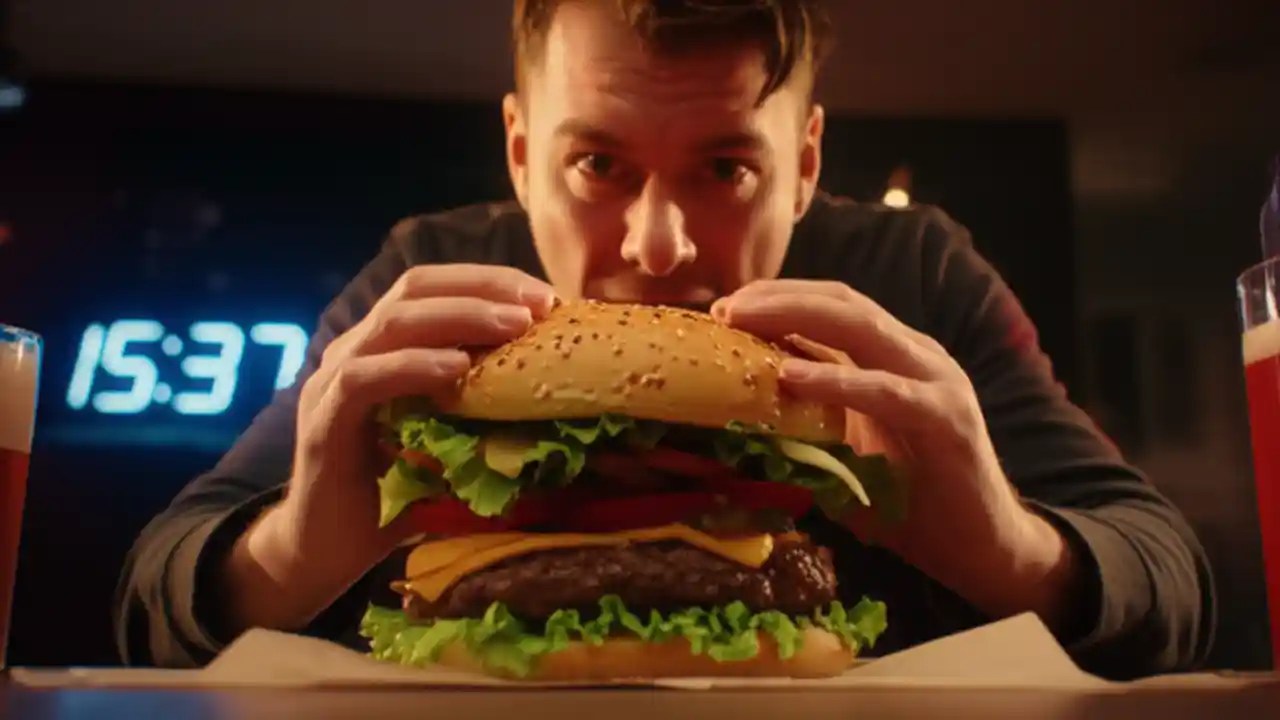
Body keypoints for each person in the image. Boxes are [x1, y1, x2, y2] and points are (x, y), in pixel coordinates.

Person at [113, 0, 1216, 680]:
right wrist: (294, 548)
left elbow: (1172, 585)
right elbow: (149, 598)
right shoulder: (429, 281)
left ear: (808, 162)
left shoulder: (911, 276)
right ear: (517, 150)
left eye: (726, 168)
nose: (656, 243)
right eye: (596, 163)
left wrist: (1009, 551)